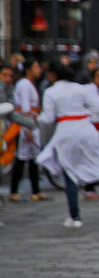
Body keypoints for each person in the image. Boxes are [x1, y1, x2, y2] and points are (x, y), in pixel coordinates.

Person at [36, 60, 99, 228]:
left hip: (66, 130)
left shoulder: (51, 92)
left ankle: (75, 217)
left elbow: (48, 119)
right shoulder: (81, 89)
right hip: (86, 128)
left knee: (70, 173)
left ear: (52, 75)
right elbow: (97, 107)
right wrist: (92, 121)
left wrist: (37, 118)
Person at [8, 60, 46, 202]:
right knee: (22, 158)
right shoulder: (24, 85)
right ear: (29, 70)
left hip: (31, 122)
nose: (39, 69)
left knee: (32, 158)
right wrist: (28, 128)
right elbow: (24, 109)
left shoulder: (29, 84)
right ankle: (14, 191)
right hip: (26, 124)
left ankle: (36, 189)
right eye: (36, 67)